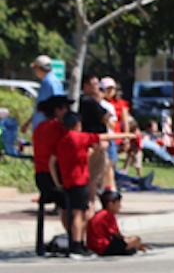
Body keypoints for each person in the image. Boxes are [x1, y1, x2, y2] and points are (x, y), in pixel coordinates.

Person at [49, 111, 133, 259]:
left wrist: (57, 181)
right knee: (78, 213)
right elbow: (103, 137)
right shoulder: (79, 137)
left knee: (72, 212)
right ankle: (77, 243)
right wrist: (126, 135)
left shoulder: (61, 140)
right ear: (77, 124)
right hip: (80, 180)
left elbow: (52, 162)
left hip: (67, 181)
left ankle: (76, 241)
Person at [32, 96, 72, 240]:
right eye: (66, 108)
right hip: (55, 176)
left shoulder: (39, 128)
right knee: (77, 203)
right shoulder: (59, 128)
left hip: (41, 177)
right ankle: (76, 238)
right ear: (58, 111)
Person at [78, 73, 112, 209]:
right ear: (85, 86)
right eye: (94, 84)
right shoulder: (89, 101)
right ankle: (90, 205)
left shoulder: (82, 100)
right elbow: (106, 116)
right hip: (95, 142)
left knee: (98, 176)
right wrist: (99, 99)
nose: (98, 87)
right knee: (94, 177)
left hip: (93, 142)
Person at [86, 189, 147, 255]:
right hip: (103, 247)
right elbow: (116, 234)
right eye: (118, 203)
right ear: (110, 204)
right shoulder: (107, 215)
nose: (120, 206)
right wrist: (128, 241)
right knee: (136, 239)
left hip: (92, 246)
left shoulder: (98, 214)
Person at [21, 54, 65, 135]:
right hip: (43, 128)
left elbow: (57, 104)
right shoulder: (47, 81)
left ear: (38, 69)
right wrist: (28, 123)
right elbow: (40, 106)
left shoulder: (49, 82)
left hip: (47, 129)